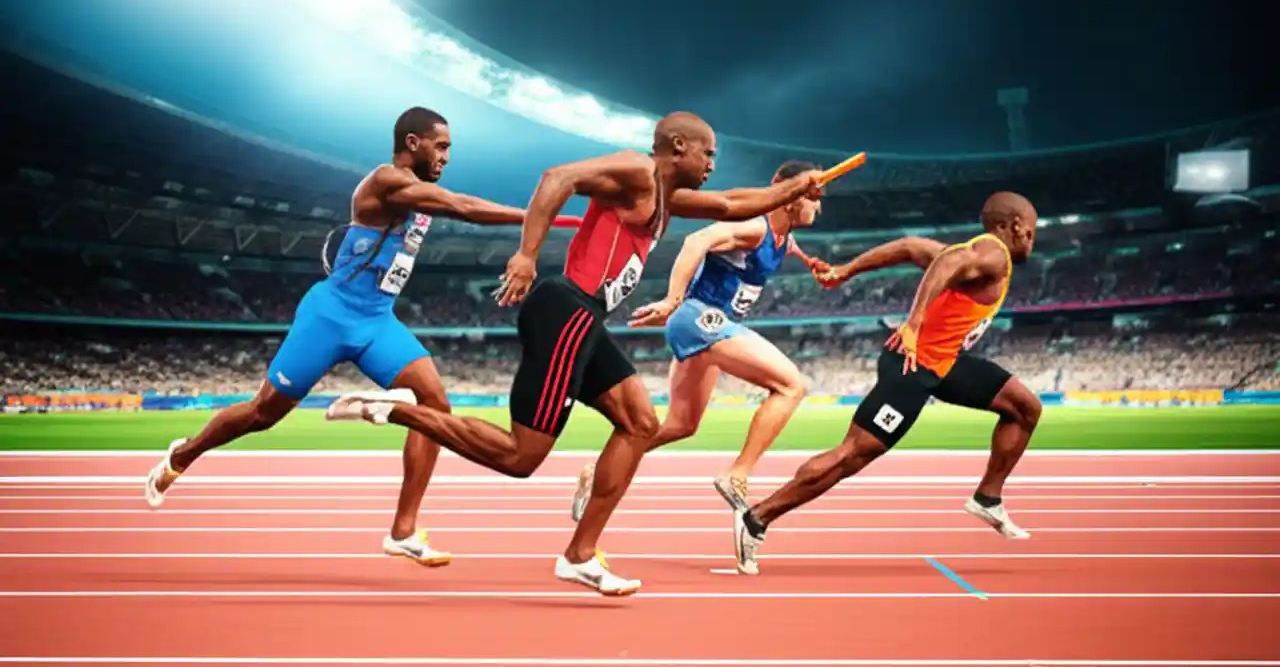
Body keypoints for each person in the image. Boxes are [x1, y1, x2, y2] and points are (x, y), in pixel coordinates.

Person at [326, 112, 825, 595]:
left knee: (639, 423)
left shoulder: (668, 194)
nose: (713, 164)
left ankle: (580, 557)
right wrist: (526, 253)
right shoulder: (635, 169)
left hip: (586, 320)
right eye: (708, 153)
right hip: (566, 310)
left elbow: (736, 205)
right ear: (678, 147)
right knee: (520, 457)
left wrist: (796, 188)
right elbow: (557, 176)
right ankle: (396, 411)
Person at [143, 106, 579, 567]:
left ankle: (403, 531)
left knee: (434, 402)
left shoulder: (418, 191)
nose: (447, 156)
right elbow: (460, 207)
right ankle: (184, 453)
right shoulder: (387, 181)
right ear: (414, 142)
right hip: (330, 317)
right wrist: (544, 217)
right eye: (442, 145)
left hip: (376, 320)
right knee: (263, 413)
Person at [731, 191, 1042, 576]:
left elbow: (910, 247)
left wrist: (846, 270)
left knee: (1024, 407)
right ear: (1012, 227)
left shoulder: (983, 262)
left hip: (944, 364)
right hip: (913, 366)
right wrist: (913, 323)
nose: (1033, 238)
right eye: (1031, 231)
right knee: (852, 455)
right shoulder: (993, 251)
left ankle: (988, 497)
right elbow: (951, 259)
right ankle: (757, 518)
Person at [567, 159, 829, 522]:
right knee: (791, 386)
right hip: (700, 318)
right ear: (789, 197)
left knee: (681, 424)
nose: (819, 205)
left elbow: (786, 247)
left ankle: (595, 470)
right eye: (814, 197)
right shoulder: (754, 226)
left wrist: (810, 262)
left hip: (707, 325)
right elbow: (697, 240)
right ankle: (738, 474)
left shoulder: (783, 237)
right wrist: (672, 299)